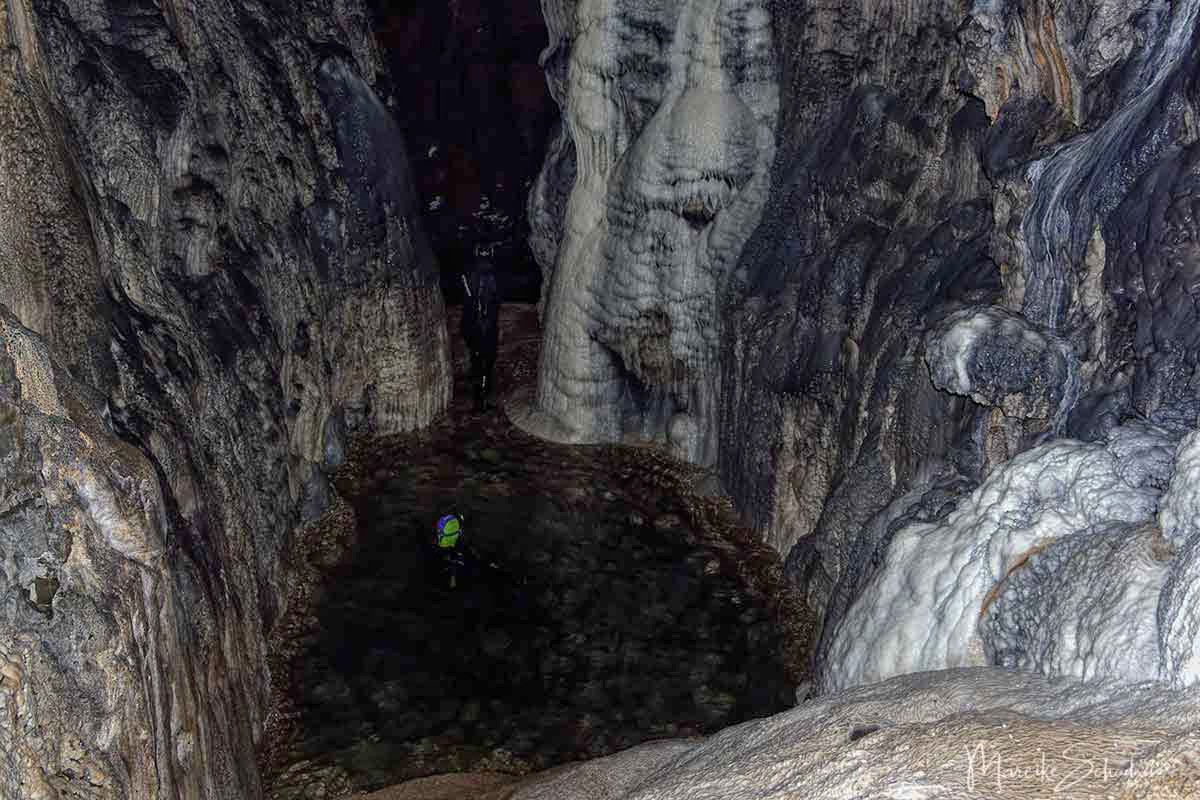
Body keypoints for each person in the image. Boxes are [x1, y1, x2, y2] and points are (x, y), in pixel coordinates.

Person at [461, 252, 499, 412]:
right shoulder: (489, 275)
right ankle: (482, 398)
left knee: (479, 362)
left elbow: (469, 301)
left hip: (476, 326)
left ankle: (480, 398)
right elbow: (492, 300)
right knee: (485, 363)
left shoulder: (470, 275)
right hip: (484, 326)